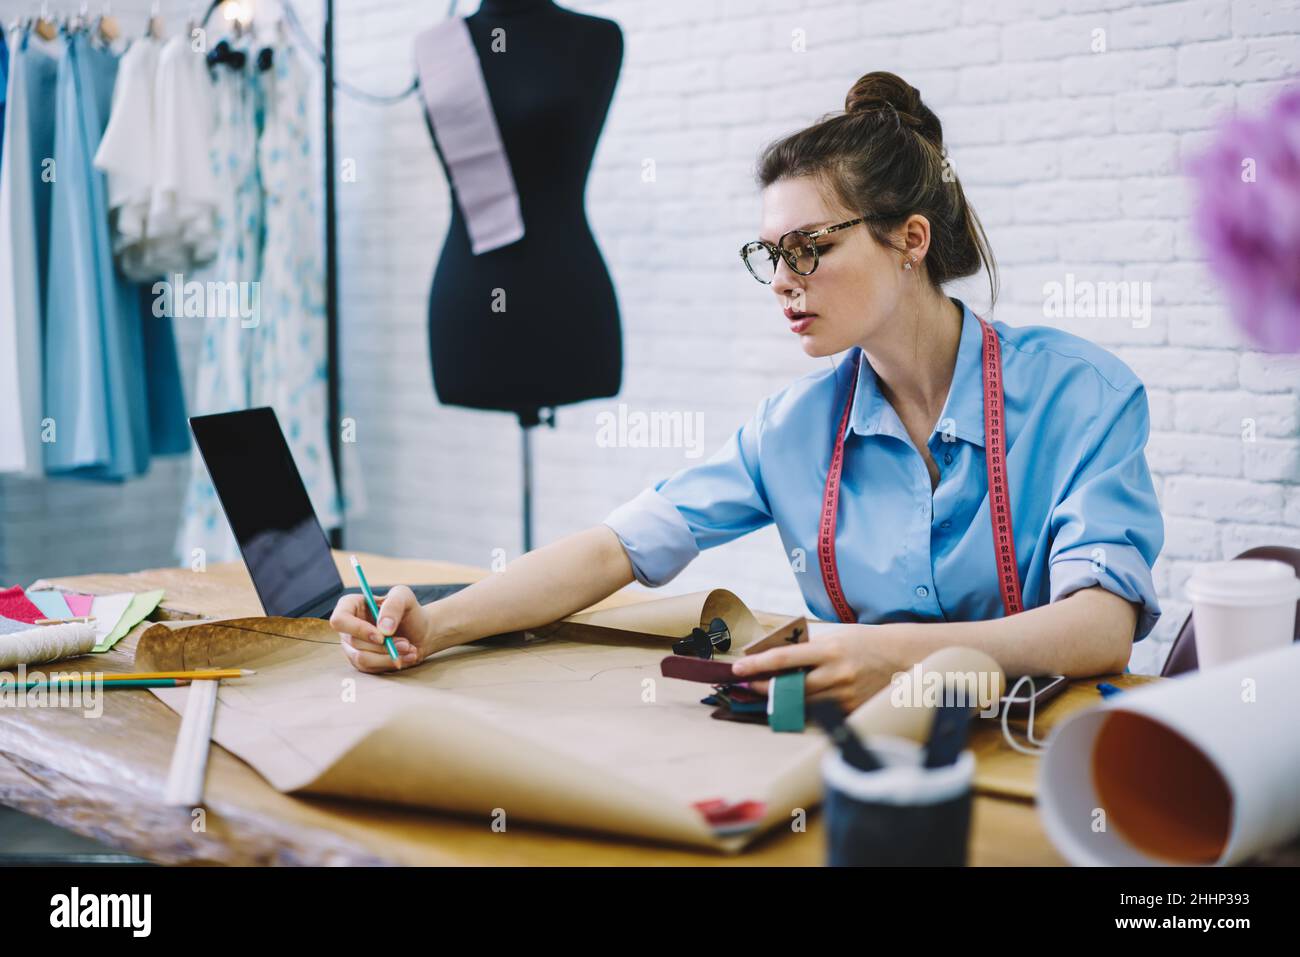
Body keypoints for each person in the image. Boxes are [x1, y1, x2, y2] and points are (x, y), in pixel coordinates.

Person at [331, 71, 1164, 712]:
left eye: (808, 247)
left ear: (910, 239)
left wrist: (886, 653)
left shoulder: (1080, 396)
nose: (782, 280)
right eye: (771, 254)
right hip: (865, 747)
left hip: (1042, 746)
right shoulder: (792, 430)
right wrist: (435, 625)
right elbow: (616, 545)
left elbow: (1100, 625)